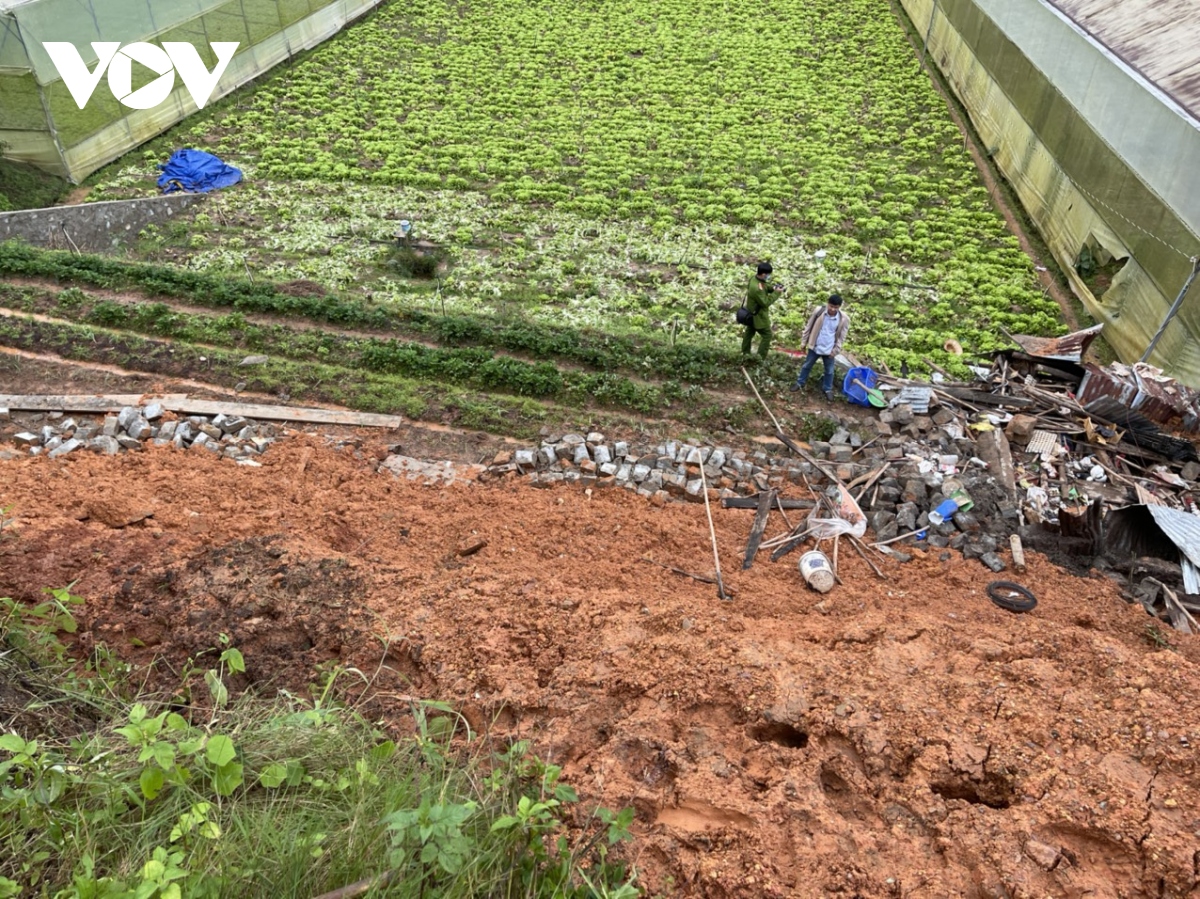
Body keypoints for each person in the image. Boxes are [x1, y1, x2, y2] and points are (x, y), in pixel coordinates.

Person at [790, 293, 849, 401]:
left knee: (829, 371)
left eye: (835, 307)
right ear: (827, 304)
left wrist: (835, 350)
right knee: (806, 366)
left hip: (829, 349)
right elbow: (809, 326)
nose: (832, 309)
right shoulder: (819, 312)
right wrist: (804, 342)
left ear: (839, 307)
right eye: (831, 306)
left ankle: (827, 389)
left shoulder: (843, 319)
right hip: (815, 346)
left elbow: (841, 337)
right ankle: (799, 383)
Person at [741, 262, 783, 361]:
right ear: (764, 274)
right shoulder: (757, 289)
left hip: (750, 313)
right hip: (758, 316)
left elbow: (764, 285)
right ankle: (760, 357)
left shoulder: (754, 279)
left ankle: (745, 353)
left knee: (749, 333)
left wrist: (772, 288)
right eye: (768, 275)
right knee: (767, 335)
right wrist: (777, 293)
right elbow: (765, 302)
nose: (769, 276)